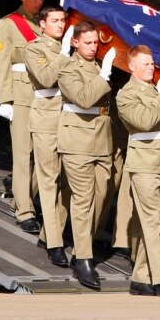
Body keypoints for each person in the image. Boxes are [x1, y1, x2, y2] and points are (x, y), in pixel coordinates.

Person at [55, 20, 117, 290]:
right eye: (88, 42)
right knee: (83, 199)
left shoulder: (97, 65)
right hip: (77, 139)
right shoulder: (68, 67)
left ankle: (80, 248)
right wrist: (104, 76)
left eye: (96, 43)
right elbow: (83, 98)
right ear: (75, 42)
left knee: (101, 197)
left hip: (101, 139)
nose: (93, 47)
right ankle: (83, 257)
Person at [116, 45, 160, 298]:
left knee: (157, 224)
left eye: (152, 63)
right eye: (145, 64)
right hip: (144, 164)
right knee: (152, 222)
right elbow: (143, 122)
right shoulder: (126, 94)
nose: (151, 67)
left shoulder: (156, 89)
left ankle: (140, 278)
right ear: (131, 66)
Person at [0, 0, 45, 236]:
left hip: (43, 96)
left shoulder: (44, 24)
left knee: (44, 153)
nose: (39, 1)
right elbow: (0, 61)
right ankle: (25, 210)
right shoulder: (9, 23)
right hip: (21, 95)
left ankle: (22, 197)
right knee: (23, 155)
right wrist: (5, 99)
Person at [23, 4, 73, 267]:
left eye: (63, 20)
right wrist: (65, 55)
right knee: (49, 181)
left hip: (71, 121)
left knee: (68, 183)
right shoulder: (34, 48)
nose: (60, 25)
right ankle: (55, 243)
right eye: (55, 20)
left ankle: (48, 234)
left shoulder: (71, 48)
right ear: (42, 23)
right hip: (46, 120)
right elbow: (45, 78)